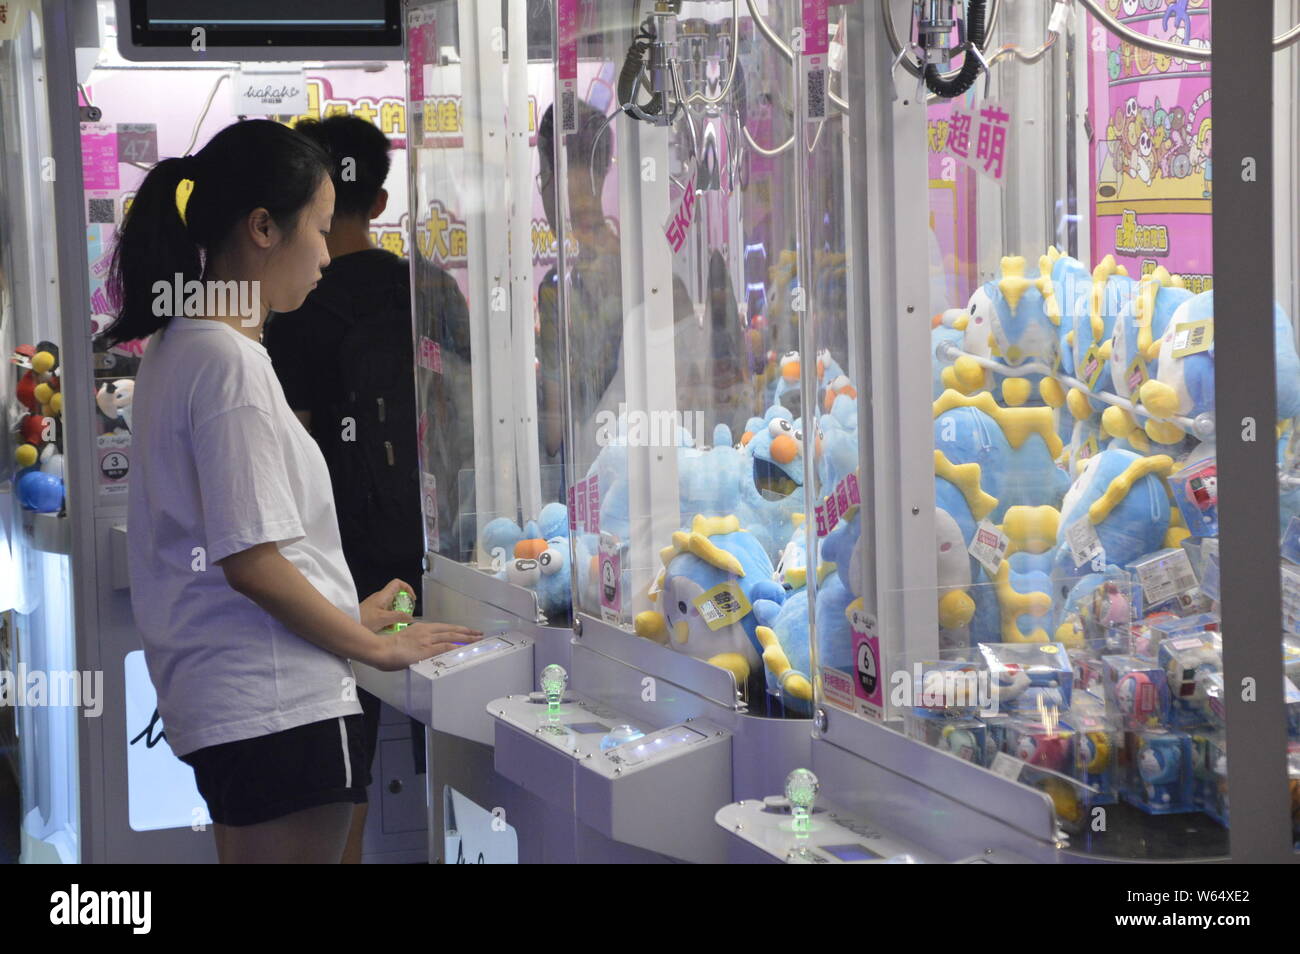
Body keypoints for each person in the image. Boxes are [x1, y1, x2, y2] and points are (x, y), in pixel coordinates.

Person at [104, 119, 479, 864]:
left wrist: (346, 611)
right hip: (280, 710)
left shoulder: (181, 348)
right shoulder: (228, 366)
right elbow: (253, 563)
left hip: (240, 706)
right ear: (263, 228)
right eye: (317, 226)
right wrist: (369, 645)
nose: (323, 255)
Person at [263, 115, 467, 863]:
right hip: (442, 558)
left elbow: (292, 448)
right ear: (380, 204)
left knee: (342, 781)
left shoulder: (295, 305)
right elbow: (463, 425)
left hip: (340, 572)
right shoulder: (432, 288)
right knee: (454, 758)